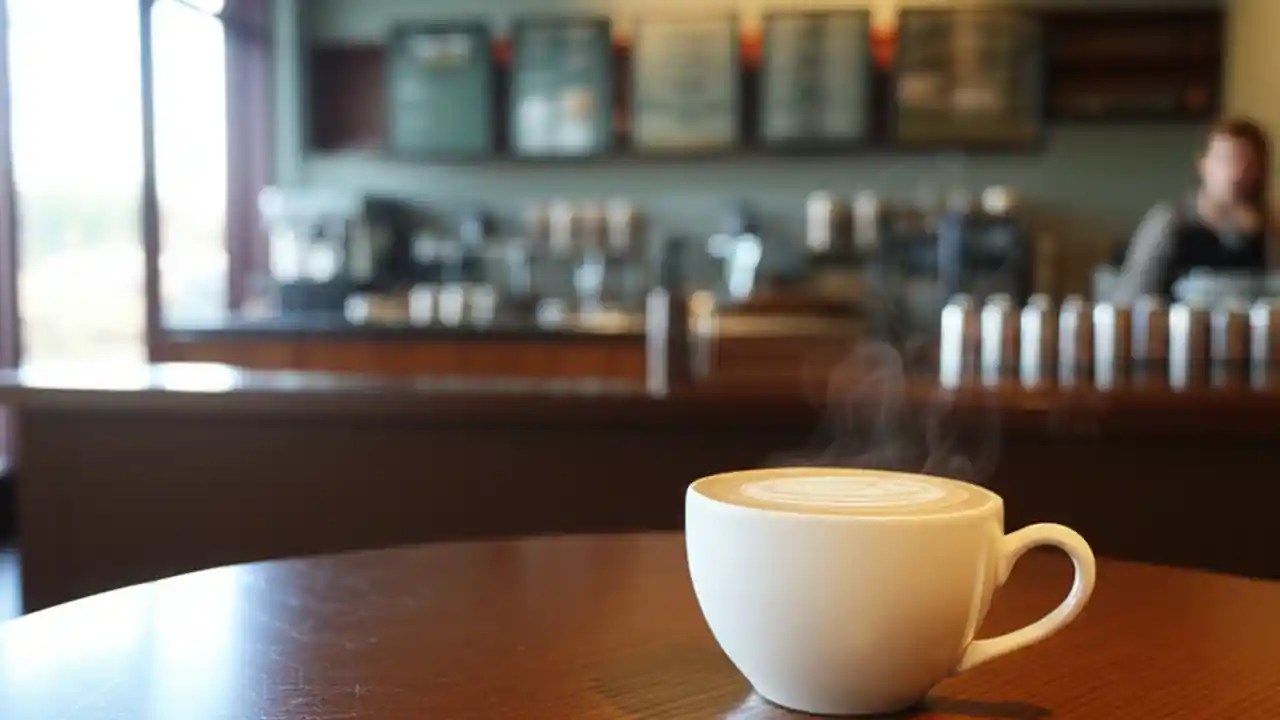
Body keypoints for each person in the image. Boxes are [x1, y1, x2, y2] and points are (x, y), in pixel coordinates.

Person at [1114, 118, 1275, 301]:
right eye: (1226, 160)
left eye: (1247, 164)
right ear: (1203, 164)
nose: (1236, 174)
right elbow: (1131, 298)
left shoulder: (1270, 231)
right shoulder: (1170, 222)